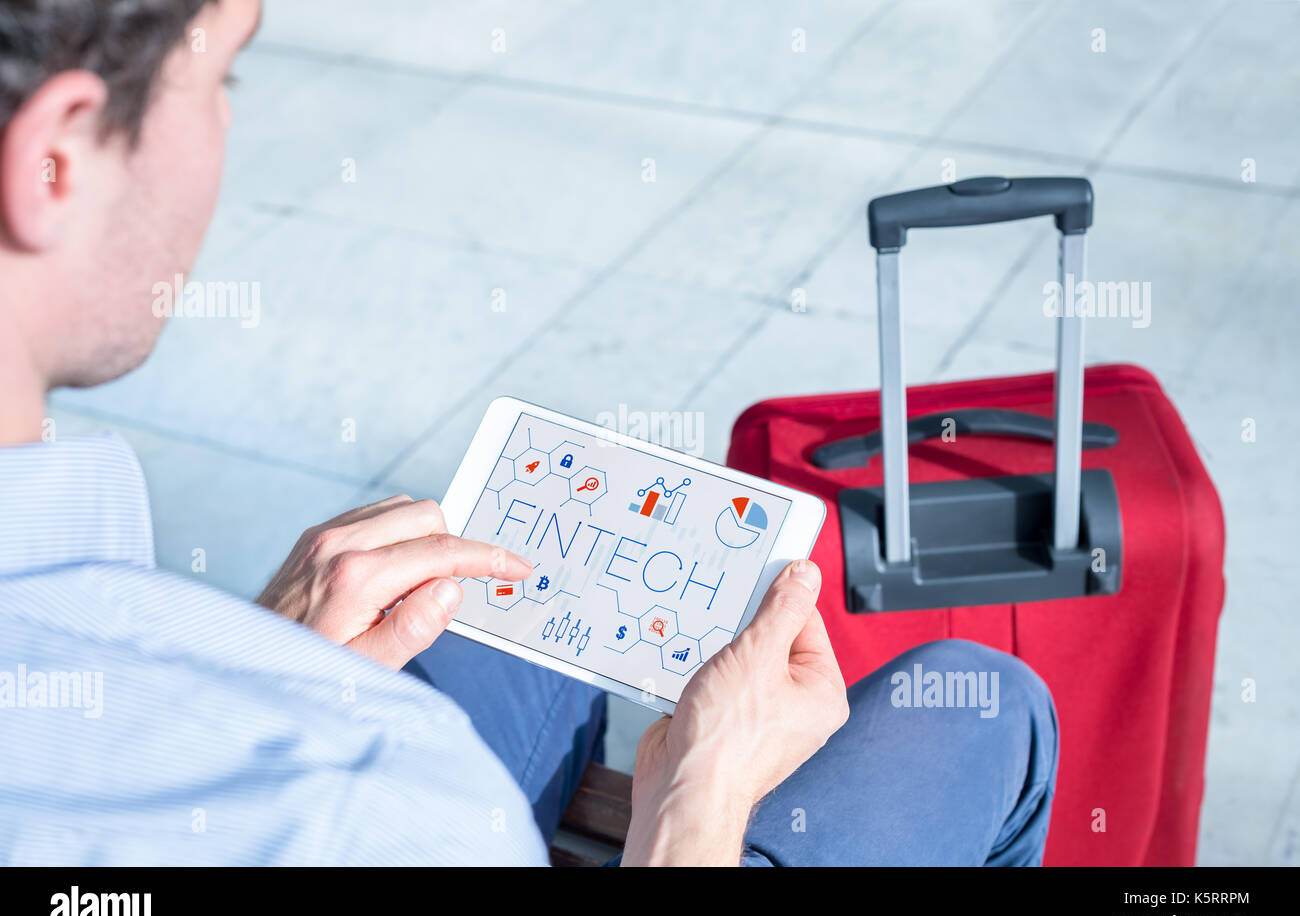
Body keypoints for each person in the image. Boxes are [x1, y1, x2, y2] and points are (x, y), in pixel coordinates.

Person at [0, 0, 1058, 866]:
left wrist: (252, 665)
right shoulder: (381, 804)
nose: (225, 131)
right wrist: (695, 800)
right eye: (221, 79)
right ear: (54, 160)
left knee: (496, 581)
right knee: (985, 706)